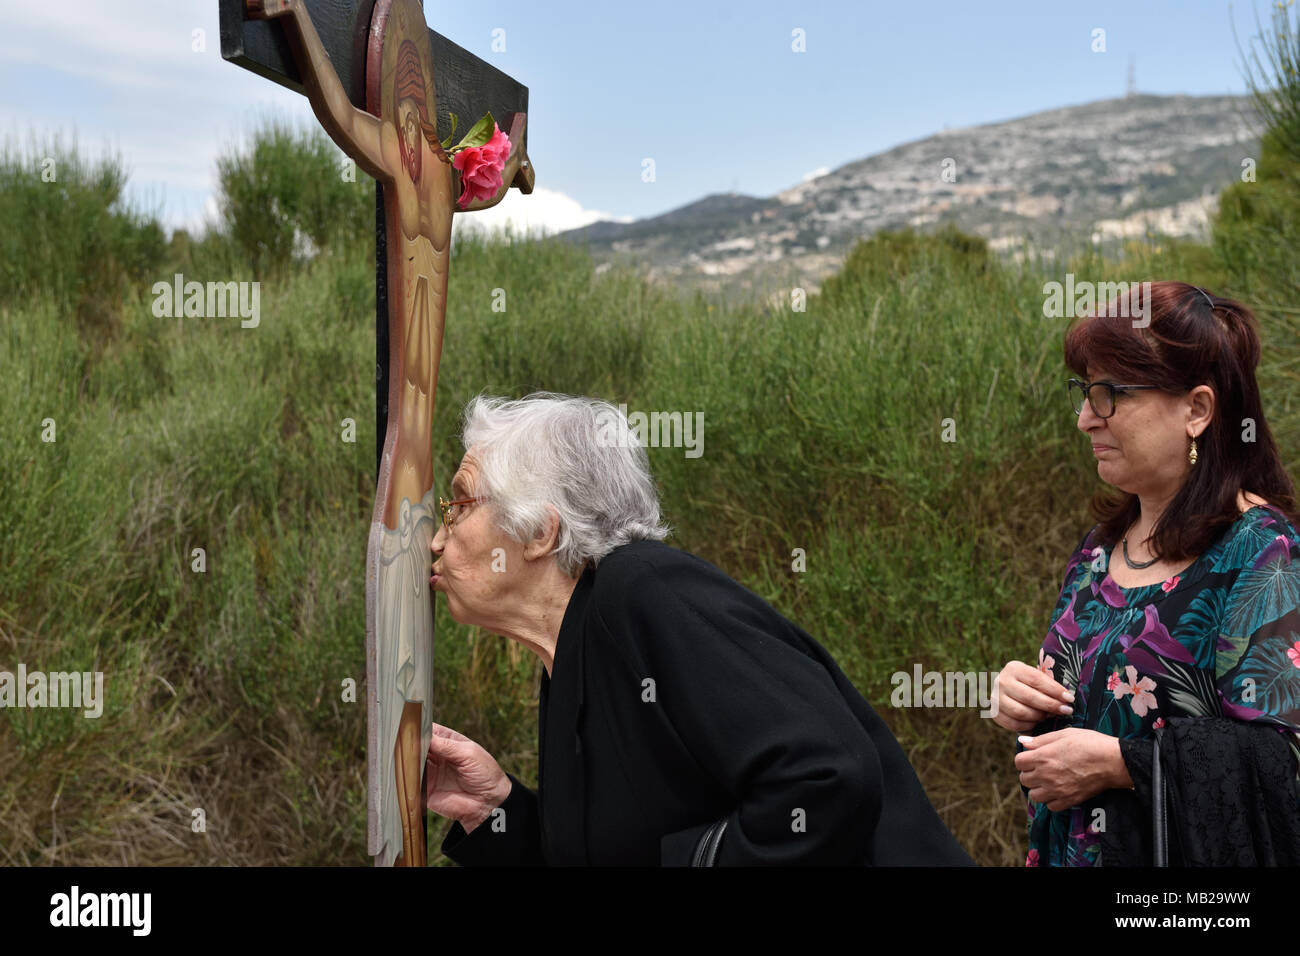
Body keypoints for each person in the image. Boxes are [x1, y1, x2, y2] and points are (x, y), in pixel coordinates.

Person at [423, 392, 974, 865]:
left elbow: (828, 778)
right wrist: (494, 810)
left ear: (540, 532)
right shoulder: (572, 653)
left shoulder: (644, 590)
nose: (437, 539)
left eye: (459, 506)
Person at [994, 281, 1300, 866]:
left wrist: (1120, 764)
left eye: (1110, 394)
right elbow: (1077, 716)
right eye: (1084, 391)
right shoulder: (1097, 553)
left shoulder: (1264, 557)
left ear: (1197, 410)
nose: (1086, 418)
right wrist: (1020, 700)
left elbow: (1280, 766)